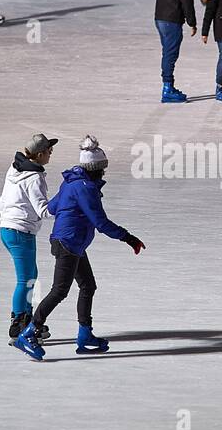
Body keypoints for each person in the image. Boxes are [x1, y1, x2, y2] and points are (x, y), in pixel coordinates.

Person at [13, 136, 145, 362]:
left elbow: (53, 207)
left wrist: (68, 207)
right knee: (59, 291)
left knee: (88, 285)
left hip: (72, 243)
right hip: (68, 243)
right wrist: (128, 238)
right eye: (103, 169)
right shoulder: (84, 188)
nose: (104, 173)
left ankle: (85, 335)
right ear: (95, 169)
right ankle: (28, 333)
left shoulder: (72, 182)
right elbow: (100, 222)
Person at [0, 133, 57, 341]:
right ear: (40, 154)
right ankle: (17, 324)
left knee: (31, 276)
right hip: (20, 231)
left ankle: (27, 319)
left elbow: (4, 198)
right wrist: (66, 200)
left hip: (7, 228)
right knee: (25, 280)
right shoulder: (34, 178)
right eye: (49, 152)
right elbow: (43, 210)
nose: (51, 155)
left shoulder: (14, 168)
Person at [154, 0, 197, 103]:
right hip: (171, 19)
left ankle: (168, 86)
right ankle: (167, 88)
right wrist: (192, 22)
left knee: (168, 52)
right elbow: (187, 0)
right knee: (170, 54)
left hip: (160, 18)